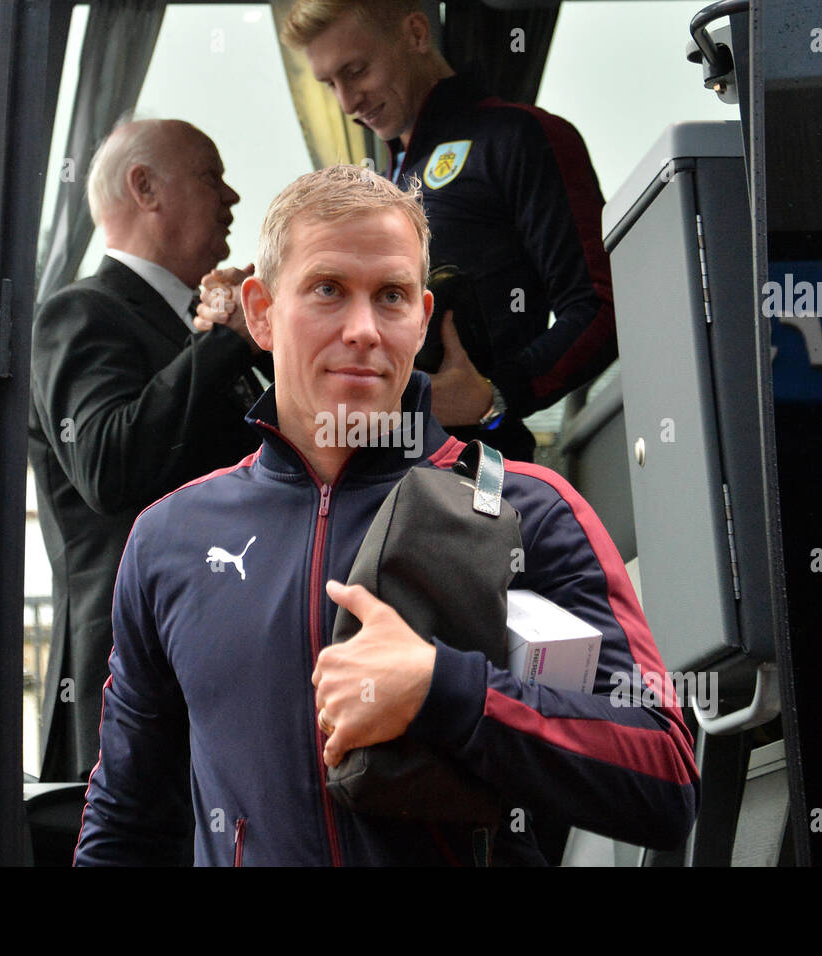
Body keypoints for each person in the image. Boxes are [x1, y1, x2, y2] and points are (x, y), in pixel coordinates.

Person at [74, 165, 697, 866]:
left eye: (392, 296)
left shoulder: (532, 509)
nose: (364, 329)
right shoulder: (171, 538)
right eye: (328, 290)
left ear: (422, 320)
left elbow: (665, 779)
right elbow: (126, 823)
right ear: (260, 312)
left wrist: (443, 689)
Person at [259, 0, 616, 462]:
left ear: (415, 34)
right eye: (330, 84)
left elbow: (602, 304)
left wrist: (496, 395)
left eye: (357, 70)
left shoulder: (522, 137)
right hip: (369, 470)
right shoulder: (384, 184)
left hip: (474, 467)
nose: (347, 102)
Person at [28, 119, 267, 784]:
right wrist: (227, 344)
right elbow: (109, 463)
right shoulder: (79, 313)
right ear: (144, 188)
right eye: (209, 175)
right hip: (139, 688)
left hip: (222, 671)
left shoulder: (199, 334)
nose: (232, 197)